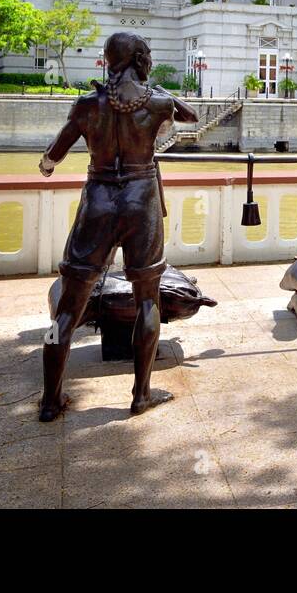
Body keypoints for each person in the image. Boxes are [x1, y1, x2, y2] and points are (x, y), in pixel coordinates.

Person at [36, 31, 197, 421]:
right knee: (147, 298)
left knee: (69, 307)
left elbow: (52, 158)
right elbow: (191, 116)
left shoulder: (88, 104)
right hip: (141, 203)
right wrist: (155, 88)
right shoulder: (157, 101)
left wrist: (46, 165)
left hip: (99, 201)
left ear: (107, 61)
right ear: (140, 59)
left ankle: (51, 401)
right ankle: (140, 395)